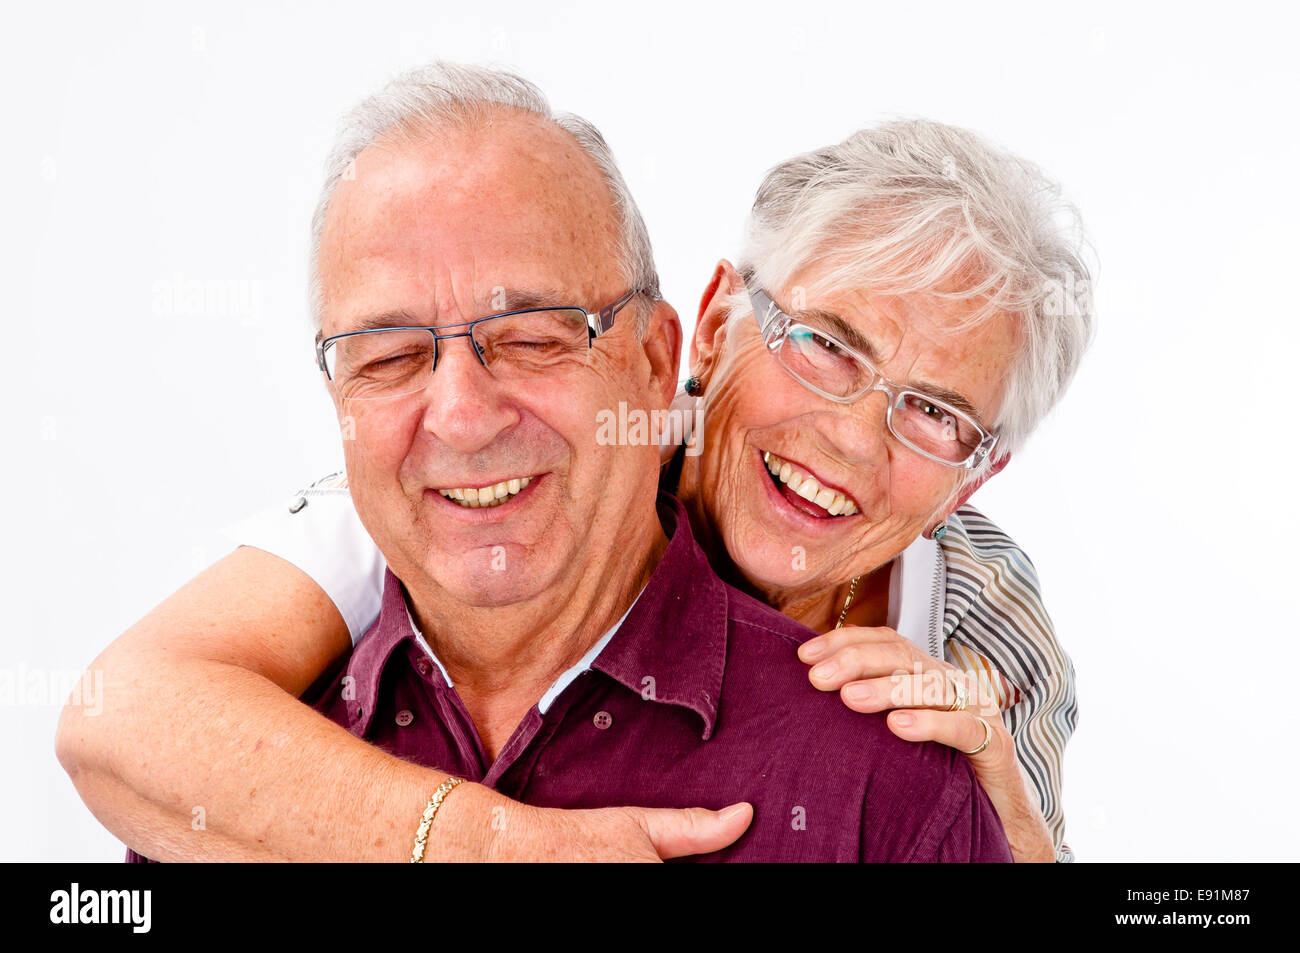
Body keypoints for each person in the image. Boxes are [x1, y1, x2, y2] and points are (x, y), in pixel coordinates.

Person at [58, 61, 1089, 861]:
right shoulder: (496, 479)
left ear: (978, 471)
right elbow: (128, 711)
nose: (851, 437)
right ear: (714, 325)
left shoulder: (986, 623)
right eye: (824, 344)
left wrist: (991, 809)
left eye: (933, 411)